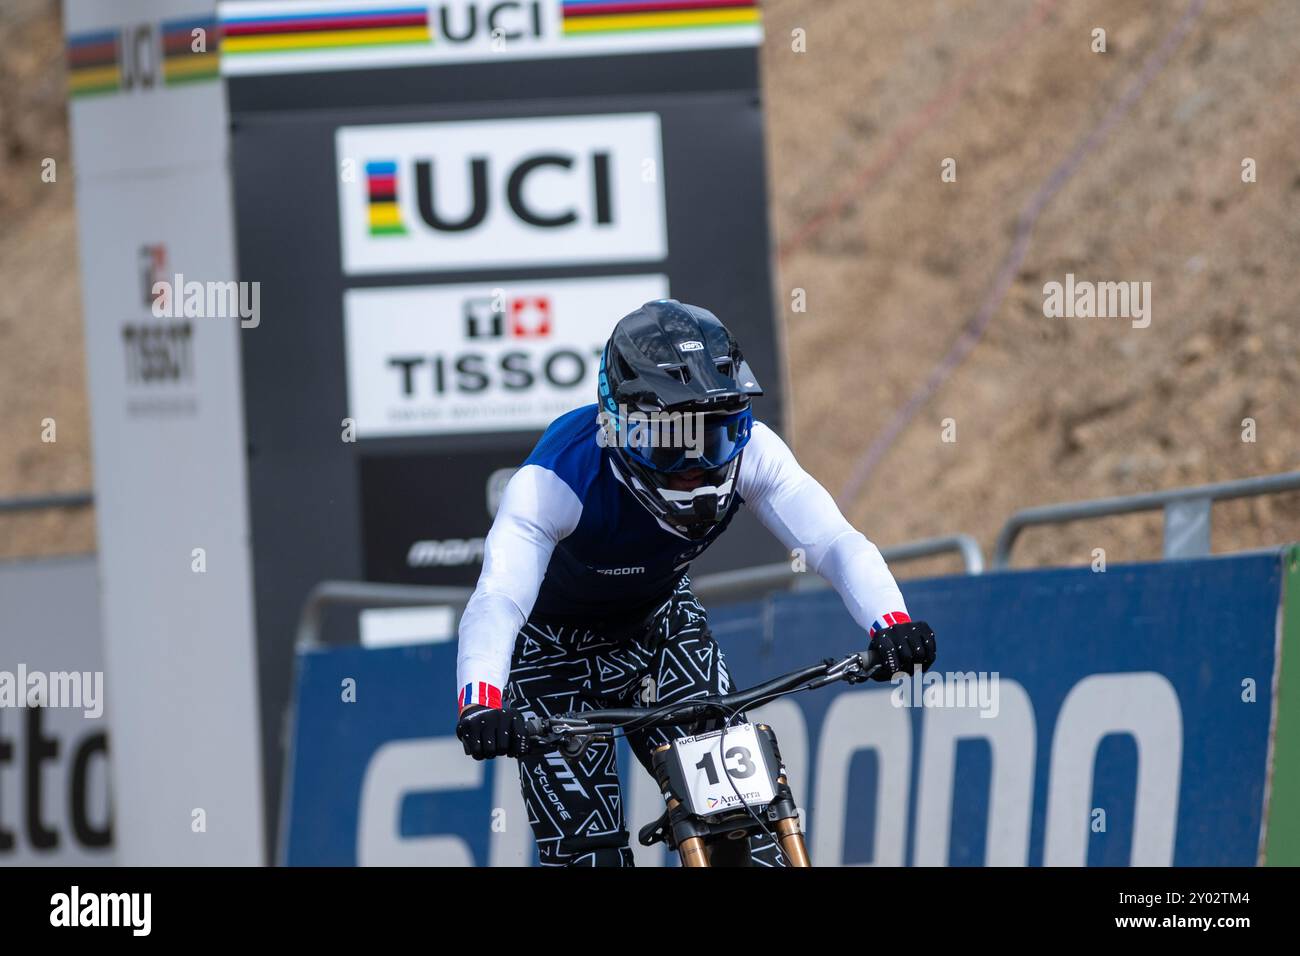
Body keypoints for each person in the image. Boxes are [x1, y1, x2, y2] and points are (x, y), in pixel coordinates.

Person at [455, 299, 936, 866]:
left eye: (714, 435)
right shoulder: (554, 481)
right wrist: (480, 701)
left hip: (662, 628)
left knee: (745, 825)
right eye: (672, 440)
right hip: (550, 655)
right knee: (591, 858)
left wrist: (891, 621)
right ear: (619, 429)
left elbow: (833, 541)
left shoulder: (757, 453)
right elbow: (499, 599)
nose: (696, 465)